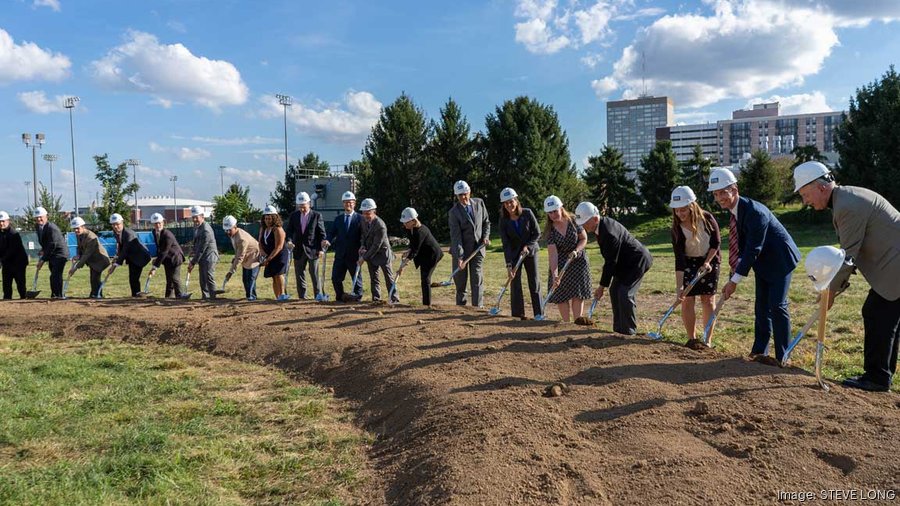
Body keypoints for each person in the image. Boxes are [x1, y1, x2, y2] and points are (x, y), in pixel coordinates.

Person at [794, 161, 900, 391]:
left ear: (820, 187)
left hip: (895, 265)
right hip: (893, 265)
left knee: (877, 312)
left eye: (806, 194)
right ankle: (880, 376)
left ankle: (877, 378)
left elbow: (847, 257)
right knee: (884, 316)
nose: (805, 201)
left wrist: (830, 291)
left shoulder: (847, 206)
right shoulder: (846, 198)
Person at [708, 167, 800, 363]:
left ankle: (784, 356)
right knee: (761, 307)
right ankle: (759, 352)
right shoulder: (736, 212)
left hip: (780, 260)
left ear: (735, 189)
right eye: (716, 194)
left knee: (777, 305)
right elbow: (740, 247)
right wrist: (733, 274)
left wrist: (734, 282)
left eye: (723, 192)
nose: (720, 197)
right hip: (762, 263)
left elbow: (752, 249)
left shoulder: (754, 212)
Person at [574, 201, 653, 335]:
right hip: (624, 263)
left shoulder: (609, 233)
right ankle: (618, 330)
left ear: (594, 218)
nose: (583, 226)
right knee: (615, 290)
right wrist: (605, 286)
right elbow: (612, 260)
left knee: (625, 293)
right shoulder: (602, 226)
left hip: (636, 261)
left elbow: (610, 262)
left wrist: (601, 286)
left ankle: (629, 331)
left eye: (585, 222)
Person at [669, 186, 721, 343]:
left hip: (710, 259)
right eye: (676, 210)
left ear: (692, 205)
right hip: (689, 262)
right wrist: (679, 287)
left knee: (708, 300)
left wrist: (707, 262)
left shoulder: (707, 219)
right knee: (687, 299)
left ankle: (707, 340)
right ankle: (692, 340)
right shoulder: (676, 228)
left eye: (683, 210)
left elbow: (716, 242)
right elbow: (679, 258)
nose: (680, 214)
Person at [543, 196, 592, 322]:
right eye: (550, 212)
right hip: (561, 262)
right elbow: (553, 254)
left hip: (578, 261)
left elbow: (584, 238)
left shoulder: (574, 221)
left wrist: (576, 250)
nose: (553, 215)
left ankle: (577, 322)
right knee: (561, 294)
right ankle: (566, 323)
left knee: (577, 293)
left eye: (555, 211)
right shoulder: (550, 231)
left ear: (561, 208)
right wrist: (555, 274)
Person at [498, 187, 541, 319]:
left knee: (534, 282)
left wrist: (528, 246)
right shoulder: (503, 220)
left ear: (516, 201)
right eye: (506, 203)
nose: (509, 205)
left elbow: (537, 233)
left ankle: (539, 314)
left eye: (511, 201)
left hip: (531, 252)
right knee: (515, 283)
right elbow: (506, 244)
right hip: (515, 254)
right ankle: (518, 315)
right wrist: (509, 265)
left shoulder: (527, 213)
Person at [448, 180, 490, 307]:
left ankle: (477, 308)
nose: (463, 197)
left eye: (465, 193)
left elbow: (486, 222)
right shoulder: (453, 213)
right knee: (460, 282)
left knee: (476, 279)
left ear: (469, 191)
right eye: (460, 195)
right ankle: (461, 308)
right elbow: (456, 237)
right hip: (461, 250)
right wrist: (460, 257)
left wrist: (485, 237)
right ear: (456, 196)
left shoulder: (479, 203)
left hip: (478, 249)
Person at [323, 191, 364, 302]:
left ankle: (357, 298)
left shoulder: (360, 218)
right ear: (343, 204)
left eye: (350, 202)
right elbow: (332, 233)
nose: (348, 205)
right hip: (340, 254)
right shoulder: (338, 219)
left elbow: (364, 235)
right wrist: (327, 240)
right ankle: (340, 298)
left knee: (356, 279)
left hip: (354, 254)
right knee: (335, 278)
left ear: (354, 203)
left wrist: (363, 247)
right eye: (346, 203)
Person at [399, 207, 443, 306]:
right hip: (424, 255)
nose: (404, 224)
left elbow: (415, 250)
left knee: (425, 279)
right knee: (424, 278)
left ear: (414, 221)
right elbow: (413, 244)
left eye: (406, 222)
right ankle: (426, 304)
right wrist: (408, 250)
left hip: (432, 255)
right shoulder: (410, 229)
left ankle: (426, 305)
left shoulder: (421, 231)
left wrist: (406, 262)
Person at [287, 191, 326, 299]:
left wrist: (321, 249)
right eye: (300, 207)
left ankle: (318, 295)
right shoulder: (294, 216)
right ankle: (302, 297)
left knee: (314, 274)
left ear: (309, 203)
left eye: (303, 206)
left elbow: (322, 233)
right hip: (298, 250)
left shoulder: (316, 216)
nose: (302, 209)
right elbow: (289, 231)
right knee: (299, 274)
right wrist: (289, 241)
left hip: (313, 250)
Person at [358, 199, 397, 303]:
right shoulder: (363, 220)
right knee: (374, 277)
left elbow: (376, 245)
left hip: (382, 253)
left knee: (388, 278)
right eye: (364, 213)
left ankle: (394, 299)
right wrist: (362, 245)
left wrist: (364, 258)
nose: (366, 215)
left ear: (374, 211)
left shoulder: (380, 225)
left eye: (368, 213)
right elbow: (363, 235)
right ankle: (376, 299)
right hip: (370, 253)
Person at [109, 213, 152, 297]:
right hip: (132, 257)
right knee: (132, 278)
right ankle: (135, 295)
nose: (115, 226)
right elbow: (121, 246)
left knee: (134, 278)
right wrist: (117, 257)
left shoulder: (129, 234)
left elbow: (125, 250)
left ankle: (137, 296)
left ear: (122, 223)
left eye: (117, 224)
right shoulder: (116, 233)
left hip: (140, 257)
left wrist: (116, 264)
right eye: (113, 225)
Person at [69, 217, 111, 298]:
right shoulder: (79, 235)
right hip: (92, 260)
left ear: (83, 226)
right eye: (74, 229)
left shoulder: (91, 238)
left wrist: (75, 268)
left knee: (95, 278)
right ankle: (95, 294)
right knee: (93, 278)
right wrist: (78, 255)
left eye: (77, 228)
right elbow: (79, 247)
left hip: (100, 259)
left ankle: (97, 295)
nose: (75, 230)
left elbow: (86, 255)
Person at [223, 215, 261, 300]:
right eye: (226, 230)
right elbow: (239, 252)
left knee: (250, 279)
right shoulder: (233, 235)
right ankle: (249, 297)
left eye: (229, 230)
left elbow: (240, 257)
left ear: (235, 227)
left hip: (254, 257)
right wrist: (235, 257)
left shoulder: (241, 238)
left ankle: (252, 298)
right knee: (245, 280)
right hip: (246, 258)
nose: (227, 232)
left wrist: (231, 272)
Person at [33, 206, 68, 298]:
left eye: (41, 217)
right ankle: (55, 294)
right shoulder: (38, 227)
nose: (39, 219)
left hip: (60, 254)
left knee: (55, 275)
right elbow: (46, 242)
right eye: (37, 217)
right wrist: (43, 249)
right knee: (54, 274)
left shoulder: (52, 228)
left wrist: (43, 260)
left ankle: (58, 295)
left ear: (46, 216)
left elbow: (53, 244)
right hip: (52, 254)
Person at [149, 213, 185, 298]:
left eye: (159, 223)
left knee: (175, 278)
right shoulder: (154, 232)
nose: (158, 225)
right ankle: (168, 297)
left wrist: (155, 267)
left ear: (163, 223)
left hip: (175, 258)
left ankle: (181, 296)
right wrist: (157, 259)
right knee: (169, 279)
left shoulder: (167, 234)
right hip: (167, 259)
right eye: (155, 223)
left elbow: (164, 251)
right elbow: (159, 247)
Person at [187, 205, 219, 300]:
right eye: (193, 217)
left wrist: (192, 262)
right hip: (202, 257)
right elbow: (197, 242)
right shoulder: (197, 227)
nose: (195, 219)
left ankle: (213, 298)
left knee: (208, 277)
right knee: (202, 279)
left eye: (196, 217)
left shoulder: (206, 230)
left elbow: (202, 249)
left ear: (202, 217)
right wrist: (193, 251)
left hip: (209, 256)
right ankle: (205, 297)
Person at [259, 205, 290, 301]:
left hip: (279, 255)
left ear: (274, 218)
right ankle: (277, 297)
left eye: (270, 218)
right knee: (273, 276)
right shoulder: (263, 229)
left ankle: (282, 295)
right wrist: (263, 255)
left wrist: (268, 259)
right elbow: (260, 243)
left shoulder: (278, 229)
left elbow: (279, 247)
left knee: (279, 274)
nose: (267, 220)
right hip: (268, 255)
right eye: (266, 218)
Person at [0, 211, 28, 299]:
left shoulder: (14, 234)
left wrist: (1, 260)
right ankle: (7, 304)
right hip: (7, 263)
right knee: (6, 286)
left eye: (3, 221)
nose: (1, 223)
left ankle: (24, 302)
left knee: (20, 285)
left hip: (18, 263)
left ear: (8, 221)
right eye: (0, 221)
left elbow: (11, 250)